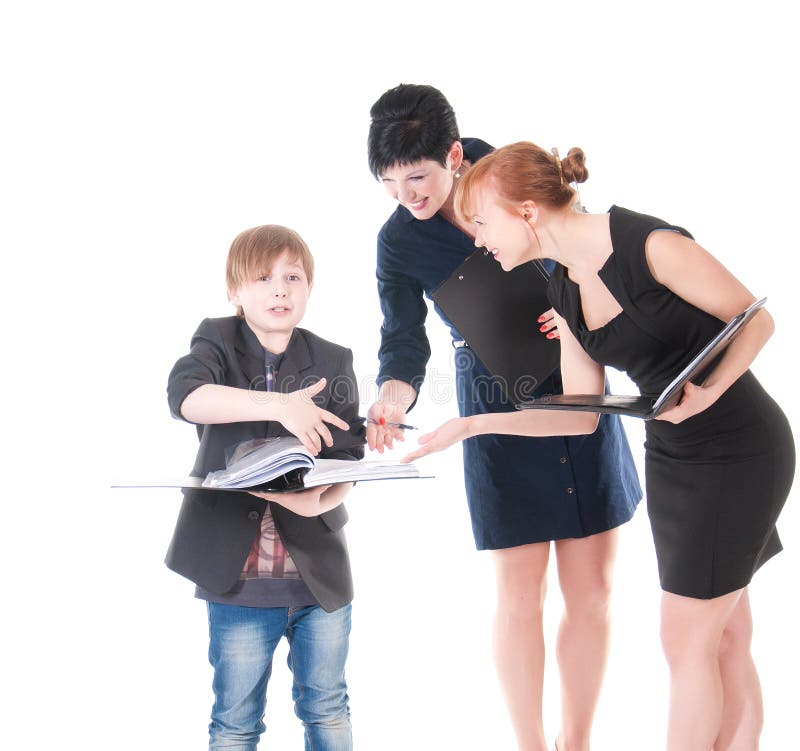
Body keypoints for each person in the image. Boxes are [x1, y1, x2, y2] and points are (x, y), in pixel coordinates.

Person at [404, 141, 795, 751]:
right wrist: (474, 426)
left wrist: (710, 390)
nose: (478, 241)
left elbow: (755, 318)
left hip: (740, 448)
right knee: (721, 637)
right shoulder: (564, 289)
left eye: (482, 223)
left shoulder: (647, 244)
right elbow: (579, 417)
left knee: (685, 640)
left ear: (525, 212)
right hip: (672, 456)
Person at [367, 84, 642, 751]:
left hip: (578, 378)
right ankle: (530, 744)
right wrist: (392, 398)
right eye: (390, 183)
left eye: (419, 176)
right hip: (492, 400)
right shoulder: (399, 242)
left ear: (455, 154)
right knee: (519, 595)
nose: (409, 195)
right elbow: (404, 340)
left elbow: (585, 246)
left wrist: (572, 298)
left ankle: (577, 741)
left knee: (593, 591)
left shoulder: (513, 171)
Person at [165, 224, 365, 751]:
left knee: (328, 711)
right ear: (235, 291)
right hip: (238, 581)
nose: (280, 289)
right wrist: (279, 405)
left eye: (293, 277)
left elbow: (348, 460)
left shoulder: (333, 357)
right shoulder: (217, 340)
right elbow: (186, 399)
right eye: (262, 277)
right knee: (235, 722)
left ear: (309, 289)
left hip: (319, 579)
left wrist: (317, 498)